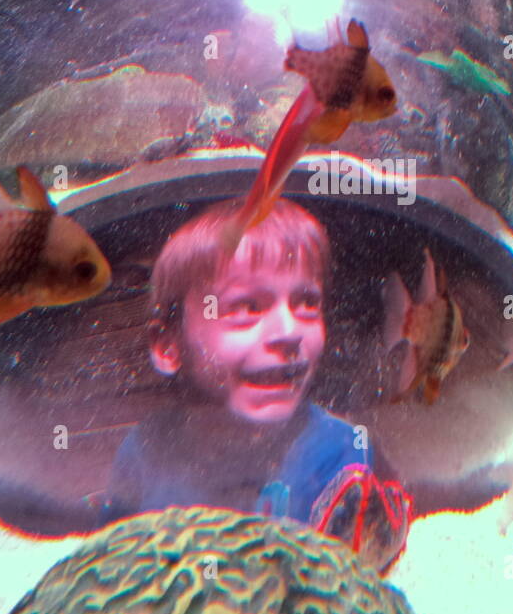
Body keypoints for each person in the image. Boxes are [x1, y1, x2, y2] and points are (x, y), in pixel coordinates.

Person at [106, 197, 410, 571]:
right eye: (248, 308)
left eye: (307, 303)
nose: (288, 332)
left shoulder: (343, 456)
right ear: (168, 345)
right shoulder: (144, 454)